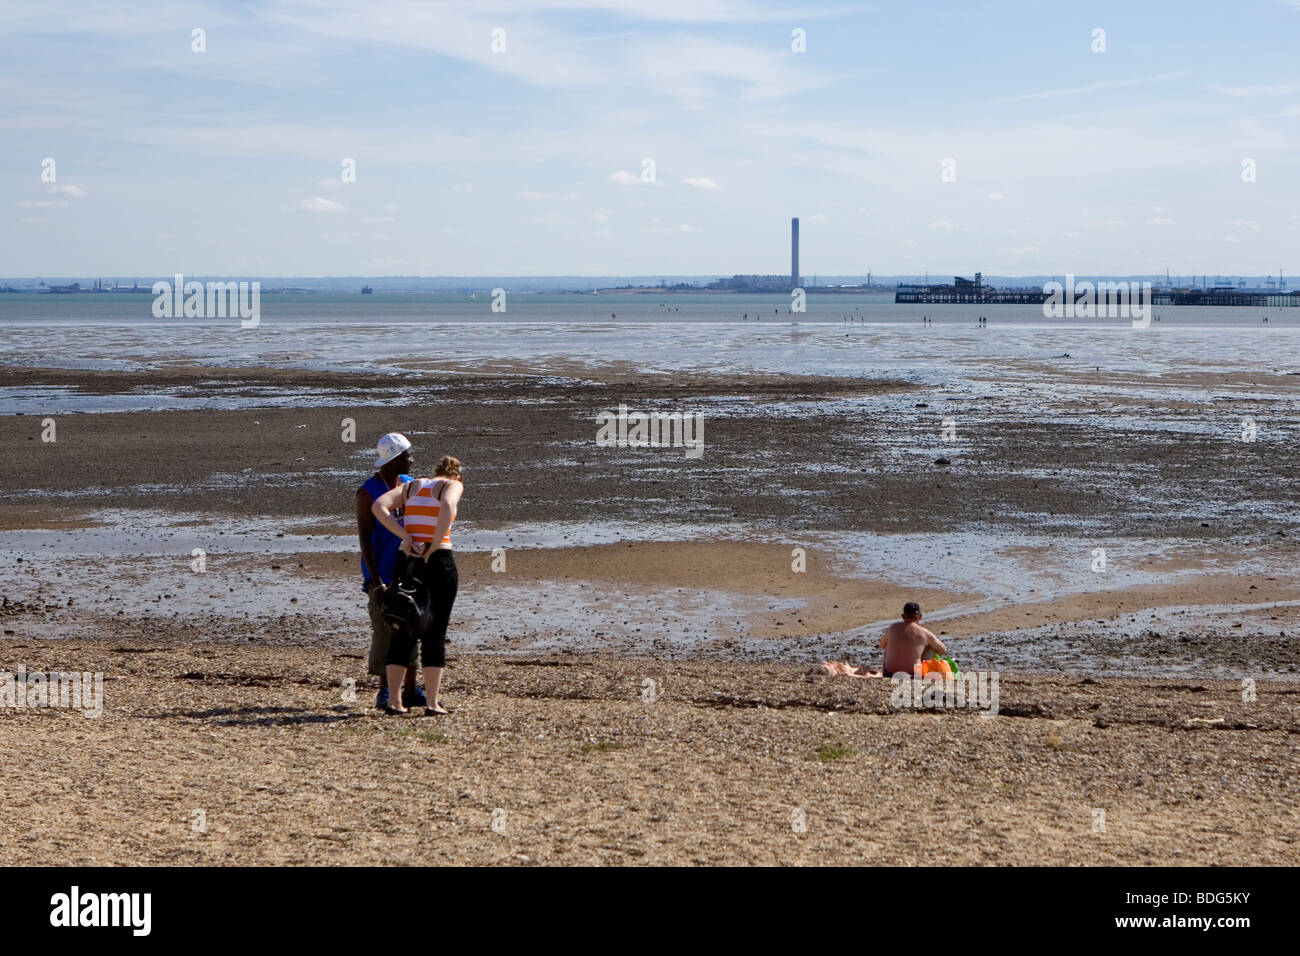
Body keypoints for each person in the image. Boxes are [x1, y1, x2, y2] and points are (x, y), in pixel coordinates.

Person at [371, 455, 464, 716]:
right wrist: (434, 543)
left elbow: (379, 506)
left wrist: (406, 536)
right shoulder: (452, 485)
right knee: (435, 631)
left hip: (407, 559)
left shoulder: (413, 486)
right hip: (439, 559)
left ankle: (395, 702)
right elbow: (447, 505)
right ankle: (432, 703)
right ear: (456, 475)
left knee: (403, 627)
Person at [357, 432, 424, 709]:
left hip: (409, 572)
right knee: (386, 632)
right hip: (382, 575)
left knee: (412, 630)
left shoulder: (409, 485)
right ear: (394, 459)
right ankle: (385, 691)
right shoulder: (368, 492)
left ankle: (411, 689)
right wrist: (375, 582)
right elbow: (365, 540)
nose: (412, 459)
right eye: (407, 455)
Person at [879, 602, 947, 677]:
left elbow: (882, 645)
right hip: (913, 674)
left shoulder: (892, 628)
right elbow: (943, 650)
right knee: (931, 648)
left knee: (888, 644)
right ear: (920, 617)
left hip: (889, 673)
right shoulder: (923, 633)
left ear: (903, 616)